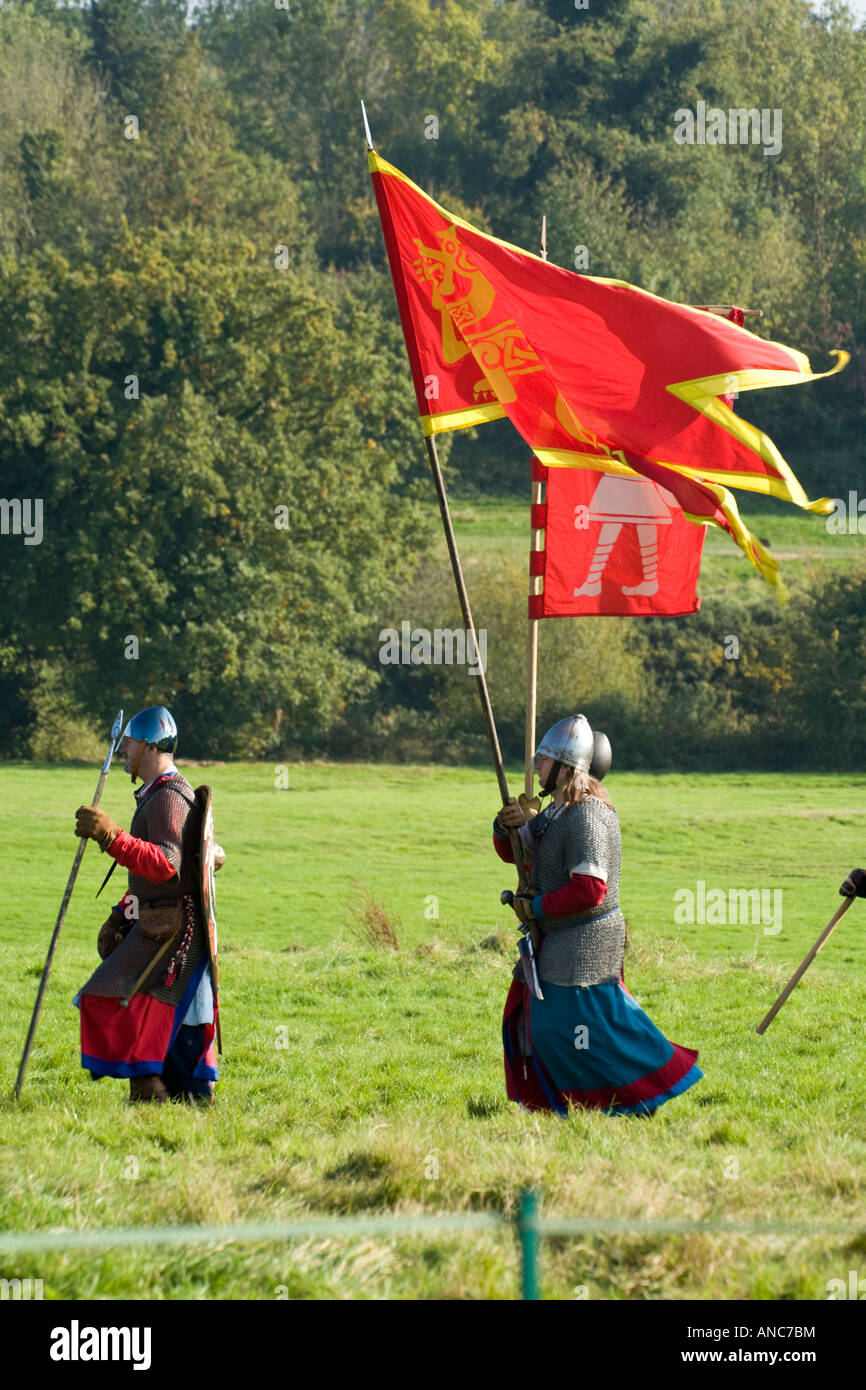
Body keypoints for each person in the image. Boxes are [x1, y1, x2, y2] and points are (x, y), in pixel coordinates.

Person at [494, 713, 701, 1117]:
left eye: (544, 759)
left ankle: (633, 1096)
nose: (535, 765)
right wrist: (507, 827)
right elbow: (515, 855)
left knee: (581, 1031)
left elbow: (590, 891)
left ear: (565, 766)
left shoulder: (588, 815)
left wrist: (534, 907)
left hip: (585, 937)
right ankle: (558, 1106)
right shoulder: (554, 812)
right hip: (555, 938)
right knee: (537, 1024)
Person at [73, 706, 219, 1104]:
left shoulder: (168, 798)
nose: (123, 749)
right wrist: (121, 913)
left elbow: (165, 867)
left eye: (130, 743)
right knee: (135, 1003)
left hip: (175, 931)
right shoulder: (155, 794)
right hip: (159, 920)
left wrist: (112, 837)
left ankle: (155, 1089)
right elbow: (145, 877)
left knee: (124, 1000)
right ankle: (163, 1091)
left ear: (150, 747)